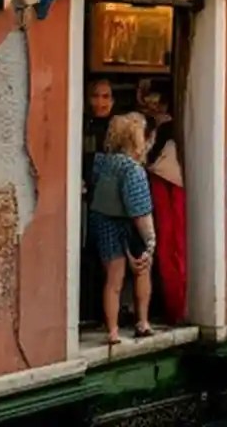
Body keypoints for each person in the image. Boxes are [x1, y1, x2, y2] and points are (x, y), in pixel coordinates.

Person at [88, 112, 157, 345]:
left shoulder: (103, 161)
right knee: (142, 269)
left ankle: (113, 331)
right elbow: (139, 210)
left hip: (102, 220)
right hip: (126, 223)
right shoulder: (133, 170)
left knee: (112, 279)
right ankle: (143, 322)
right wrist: (151, 240)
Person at [140, 87, 188, 326]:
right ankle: (175, 305)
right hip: (175, 188)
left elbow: (146, 159)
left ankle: (173, 305)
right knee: (175, 246)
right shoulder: (173, 129)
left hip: (165, 188)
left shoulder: (163, 131)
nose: (150, 106)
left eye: (153, 102)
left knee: (168, 245)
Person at [81, 79, 115, 323]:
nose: (101, 102)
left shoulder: (118, 128)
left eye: (106, 97)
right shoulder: (81, 125)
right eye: (96, 96)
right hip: (86, 198)